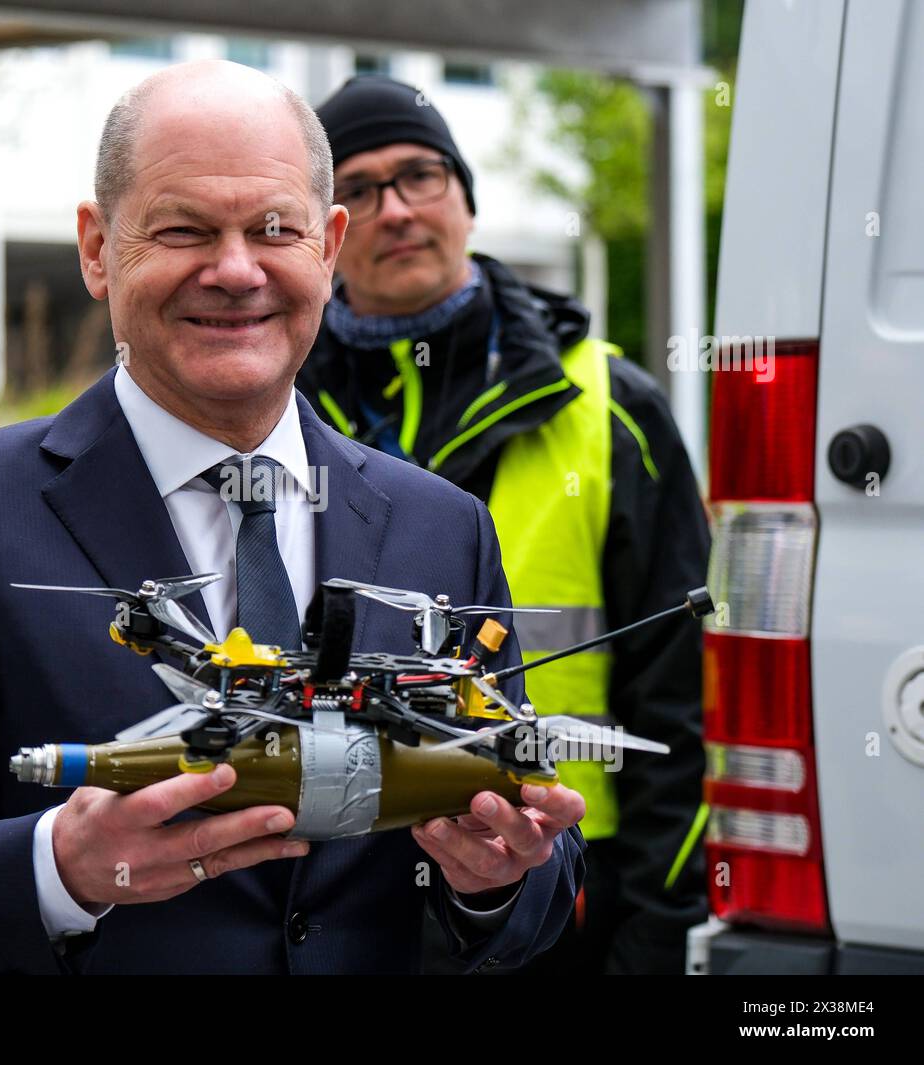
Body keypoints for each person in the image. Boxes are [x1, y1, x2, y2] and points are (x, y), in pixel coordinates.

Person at [0, 60, 585, 975]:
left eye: (274, 230)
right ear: (96, 249)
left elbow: (534, 895)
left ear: (328, 247)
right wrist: (60, 868)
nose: (236, 270)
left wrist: (496, 878)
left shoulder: (443, 527)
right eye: (183, 229)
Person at [297, 75, 710, 975]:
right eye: (358, 191)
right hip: (325, 902)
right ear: (325, 232)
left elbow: (683, 705)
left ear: (466, 201)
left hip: (556, 901)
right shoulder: (266, 413)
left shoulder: (610, 410)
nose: (396, 209)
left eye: (421, 175)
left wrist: (653, 936)